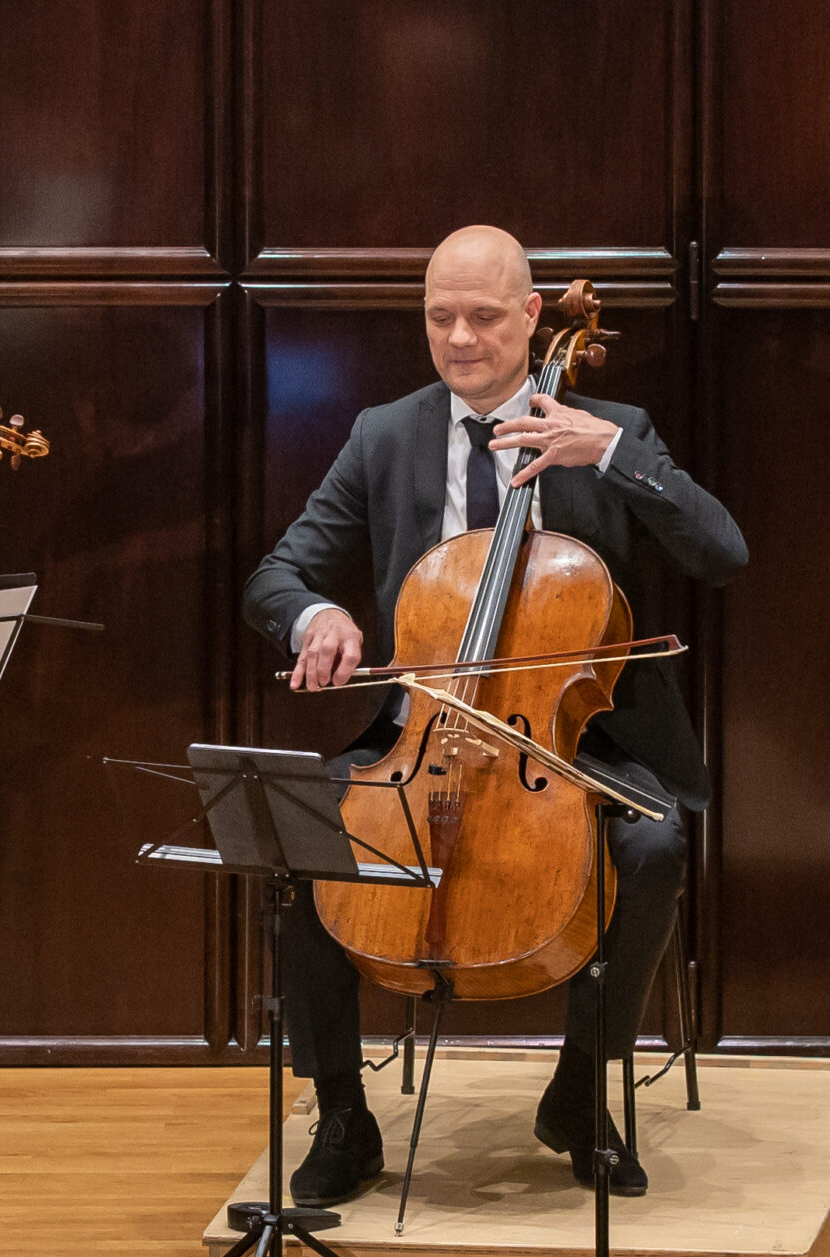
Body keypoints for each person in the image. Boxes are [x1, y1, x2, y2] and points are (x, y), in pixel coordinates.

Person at [242, 225, 745, 1207]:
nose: (460, 338)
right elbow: (277, 572)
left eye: (481, 316)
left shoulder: (610, 426)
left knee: (650, 849)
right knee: (297, 842)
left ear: (528, 317)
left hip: (577, 738)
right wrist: (319, 614)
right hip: (418, 738)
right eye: (440, 317)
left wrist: (612, 456)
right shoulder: (383, 434)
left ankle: (577, 1090)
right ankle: (342, 1114)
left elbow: (721, 552)